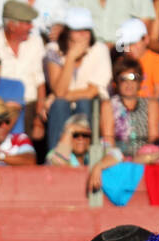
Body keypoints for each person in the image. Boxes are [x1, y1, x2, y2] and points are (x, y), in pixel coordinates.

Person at [44, 7, 111, 146]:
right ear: (67, 32)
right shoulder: (53, 50)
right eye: (78, 30)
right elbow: (60, 91)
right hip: (64, 106)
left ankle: (86, 156)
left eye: (86, 30)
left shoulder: (100, 49)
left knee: (83, 102)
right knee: (59, 105)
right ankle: (56, 157)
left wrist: (55, 96)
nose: (83, 35)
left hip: (91, 104)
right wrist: (70, 58)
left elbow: (91, 91)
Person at [0, 1, 47, 139]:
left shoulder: (36, 42)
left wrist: (39, 119)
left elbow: (40, 82)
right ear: (12, 26)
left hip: (29, 106)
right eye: (27, 22)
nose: (31, 26)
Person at [102, 54, 159, 158]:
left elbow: (154, 138)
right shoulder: (109, 105)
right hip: (117, 157)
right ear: (117, 82)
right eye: (123, 79)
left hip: (146, 156)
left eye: (133, 78)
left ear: (140, 82)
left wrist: (142, 158)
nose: (129, 83)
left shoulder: (151, 104)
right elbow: (108, 139)